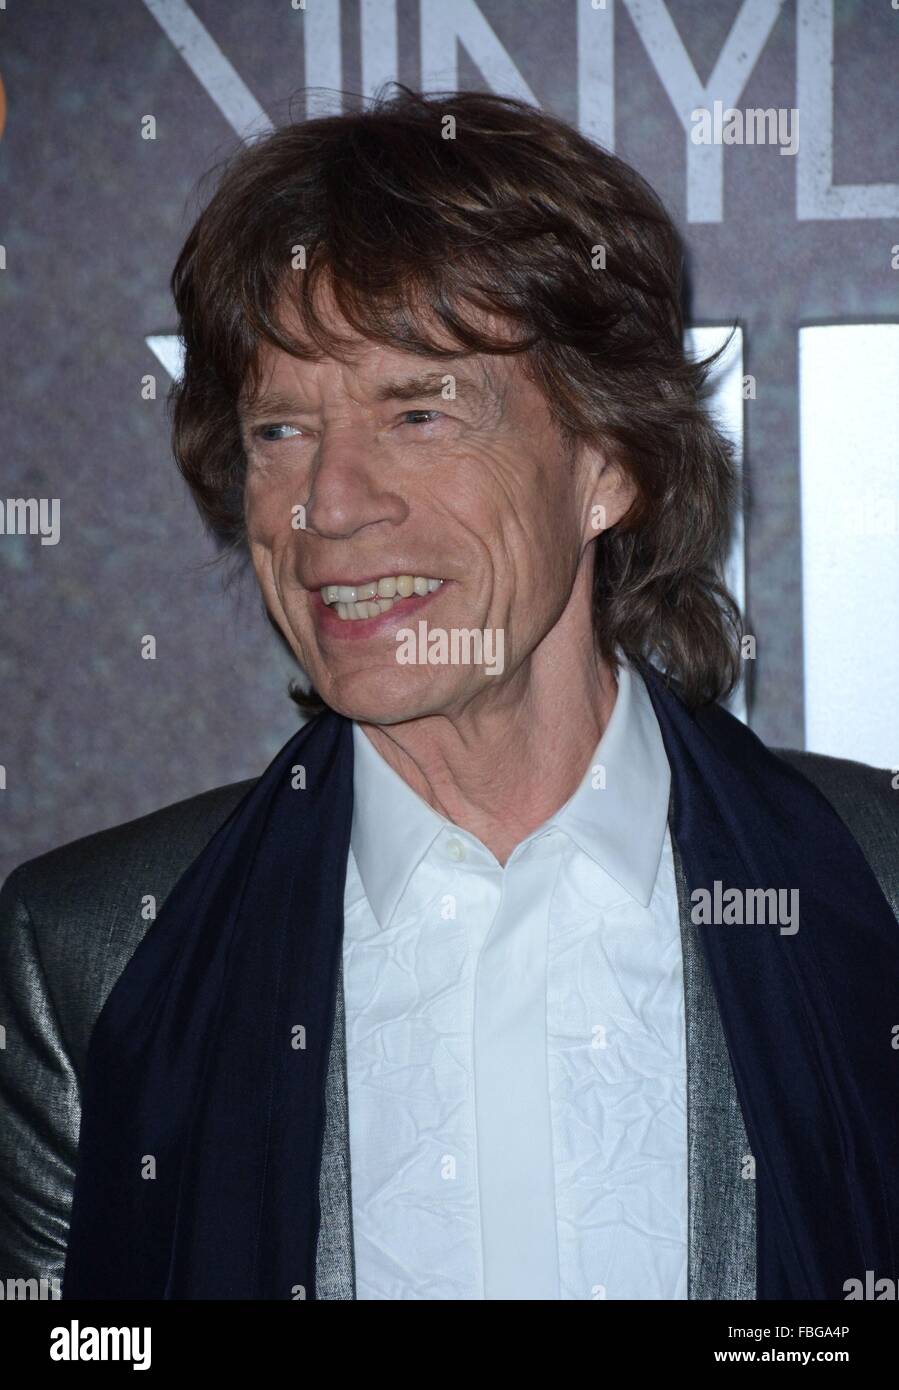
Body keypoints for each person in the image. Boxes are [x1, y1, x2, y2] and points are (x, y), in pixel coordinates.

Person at [1, 86, 897, 1303]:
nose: (331, 503)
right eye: (277, 432)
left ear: (607, 464)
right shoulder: (92, 958)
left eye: (417, 411)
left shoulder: (874, 891)